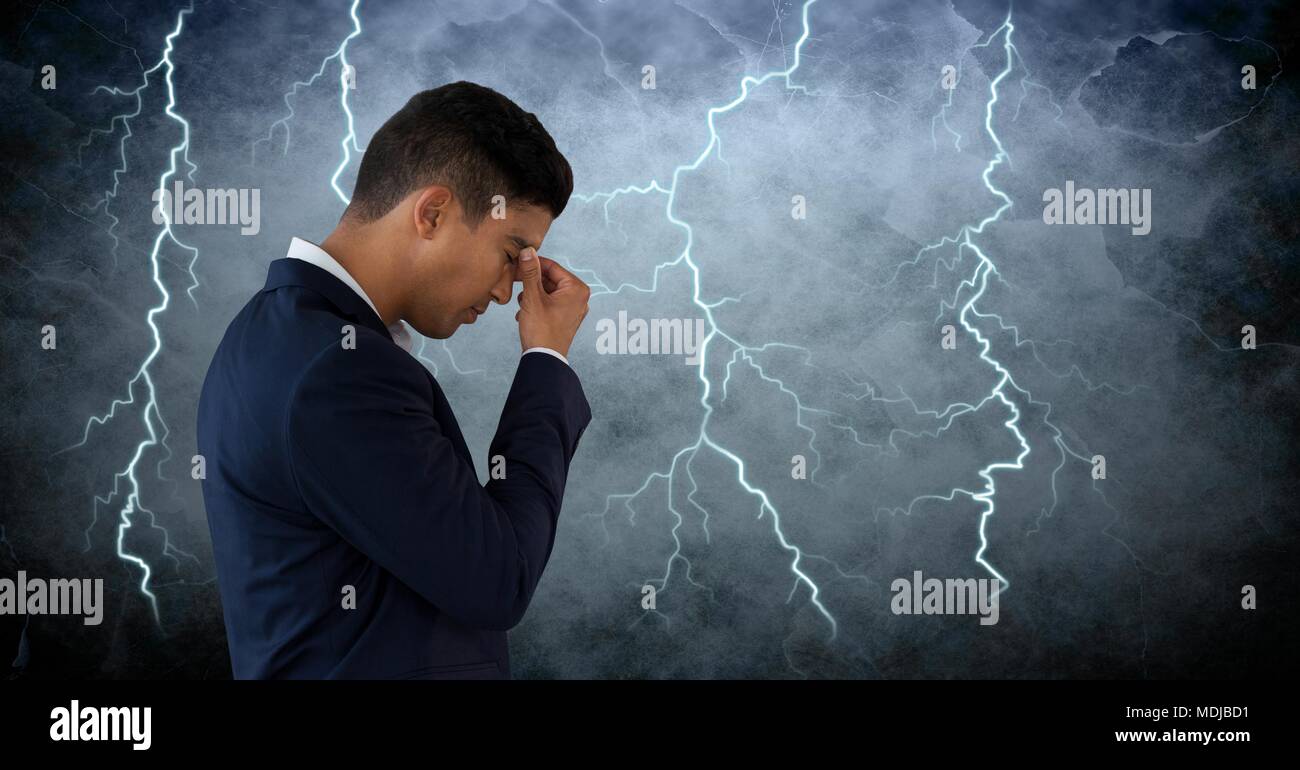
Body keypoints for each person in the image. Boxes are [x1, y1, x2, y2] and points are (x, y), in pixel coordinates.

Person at [197, 81, 592, 679]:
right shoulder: (339, 371)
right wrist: (547, 360)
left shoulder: (276, 334)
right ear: (432, 213)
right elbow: (498, 578)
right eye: (511, 252)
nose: (508, 289)